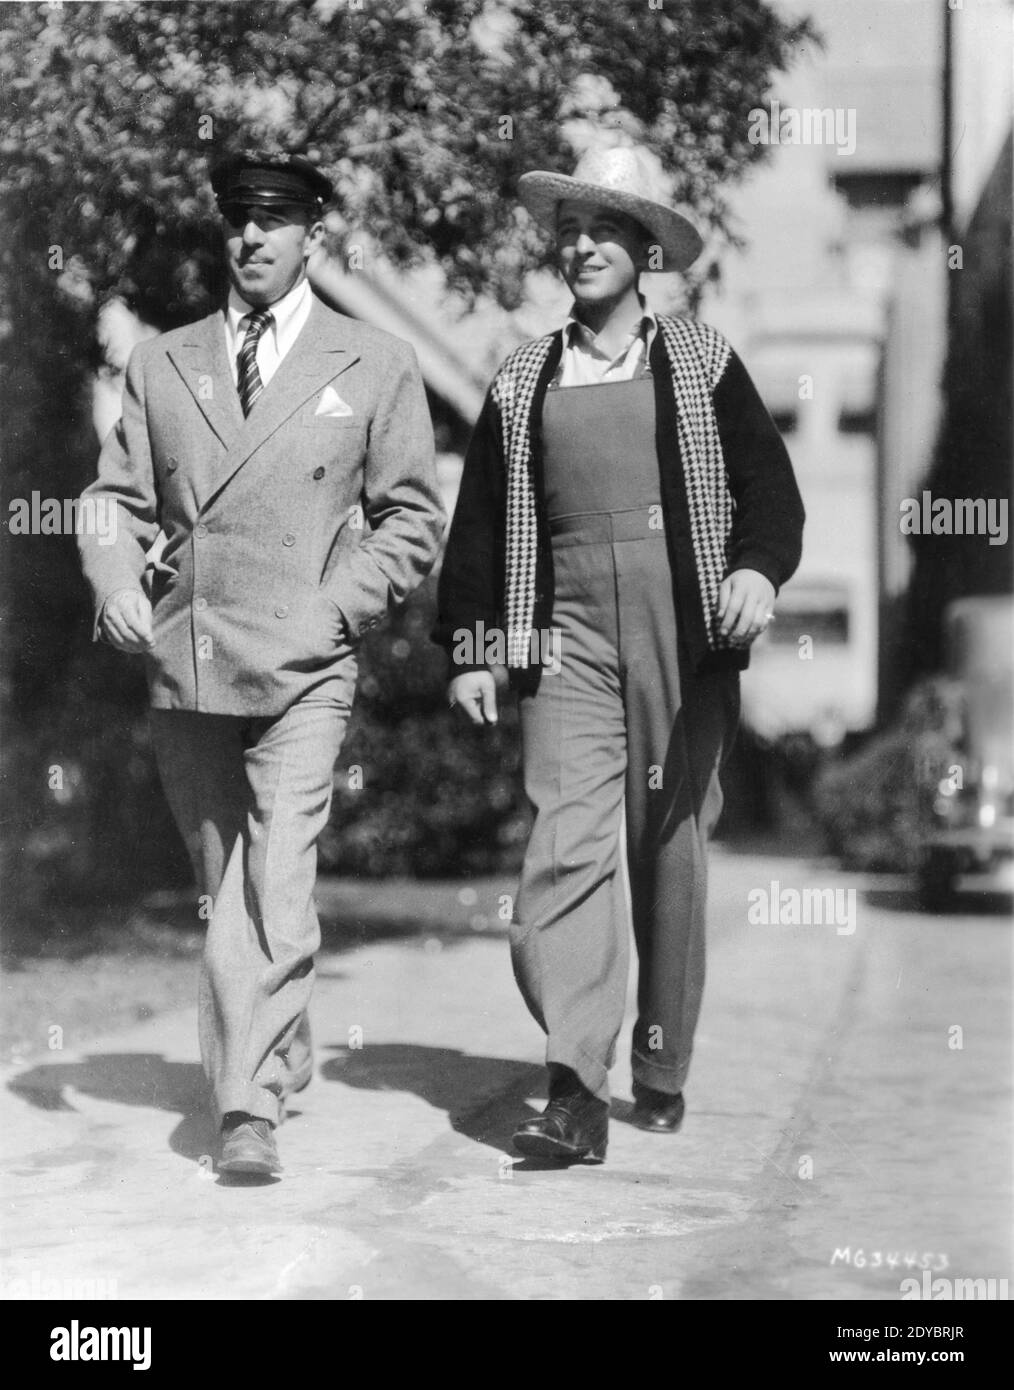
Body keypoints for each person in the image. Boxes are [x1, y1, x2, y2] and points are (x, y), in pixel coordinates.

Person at [78, 150, 445, 1176]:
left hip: (307, 664)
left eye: (275, 219)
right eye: (238, 217)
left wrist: (335, 608)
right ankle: (275, 1053)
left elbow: (413, 517)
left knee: (278, 876)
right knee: (223, 883)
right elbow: (114, 498)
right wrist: (112, 579)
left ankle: (244, 1108)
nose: (253, 236)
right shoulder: (164, 363)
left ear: (312, 238)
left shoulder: (374, 363)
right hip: (190, 660)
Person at [434, 145, 804, 1163]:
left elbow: (772, 499)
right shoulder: (521, 379)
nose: (585, 244)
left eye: (607, 228)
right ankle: (575, 1086)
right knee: (565, 851)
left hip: (683, 638)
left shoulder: (701, 361)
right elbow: (477, 530)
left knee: (669, 857)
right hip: (564, 640)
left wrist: (759, 572)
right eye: (571, 230)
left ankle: (663, 1061)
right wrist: (471, 648)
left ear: (645, 248)